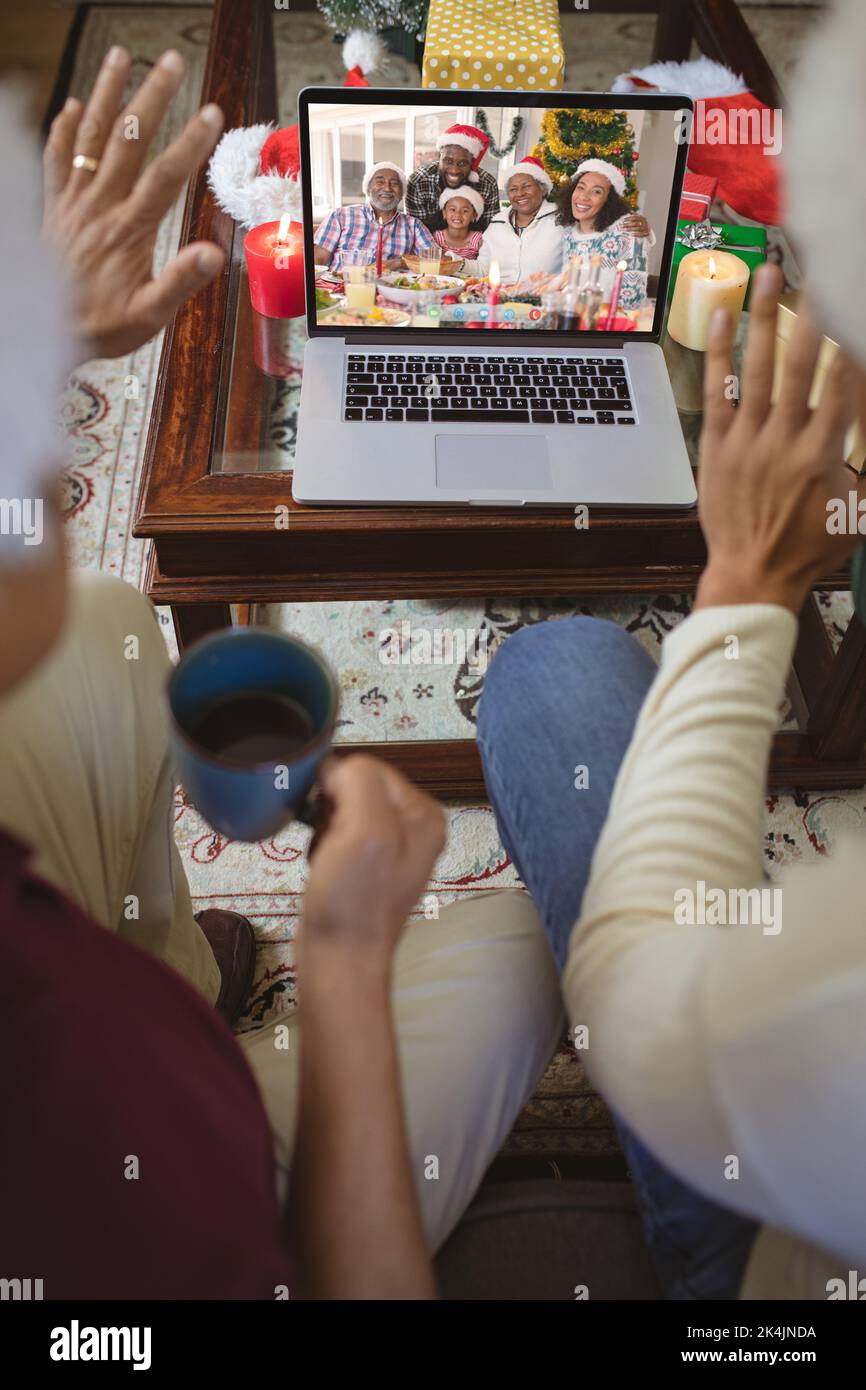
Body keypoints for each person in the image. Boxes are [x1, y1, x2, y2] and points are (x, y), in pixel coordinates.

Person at [1, 48, 564, 1300]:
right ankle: (199, 999)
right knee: (537, 944)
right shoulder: (78, 1141)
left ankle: (185, 973)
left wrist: (34, 353)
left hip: (111, 1025)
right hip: (210, 1184)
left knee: (97, 623)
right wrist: (348, 953)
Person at [476, 0, 866, 1300]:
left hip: (770, 1245)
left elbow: (646, 1014)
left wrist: (747, 583)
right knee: (570, 671)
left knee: (552, 672)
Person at [556, 160, 649, 310]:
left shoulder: (628, 230)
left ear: (608, 201)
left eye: (596, 191)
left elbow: (633, 300)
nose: (584, 197)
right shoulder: (568, 233)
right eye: (580, 188)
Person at [312, 161, 437, 273]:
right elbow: (319, 260)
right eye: (380, 182)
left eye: (394, 183)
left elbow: (436, 259)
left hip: (390, 291)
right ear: (368, 189)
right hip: (340, 289)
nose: (387, 188)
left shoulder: (413, 225)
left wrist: (401, 262)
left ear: (402, 192)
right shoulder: (341, 216)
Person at [465, 156, 563, 287]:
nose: (520, 193)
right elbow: (483, 269)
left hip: (543, 301)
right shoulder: (496, 225)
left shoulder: (561, 221)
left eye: (527, 186)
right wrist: (455, 262)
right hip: (501, 299)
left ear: (543, 189)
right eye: (513, 189)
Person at [406, 122, 499, 233]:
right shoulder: (418, 182)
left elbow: (491, 232)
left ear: (472, 163)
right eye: (448, 161)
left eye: (462, 163)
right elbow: (417, 232)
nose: (454, 170)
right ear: (439, 157)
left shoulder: (488, 184)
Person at [432, 184, 485, 263]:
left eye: (465, 211)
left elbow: (483, 266)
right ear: (444, 213)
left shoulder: (479, 240)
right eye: (452, 209)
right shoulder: (436, 238)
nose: (458, 215)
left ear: (474, 215)